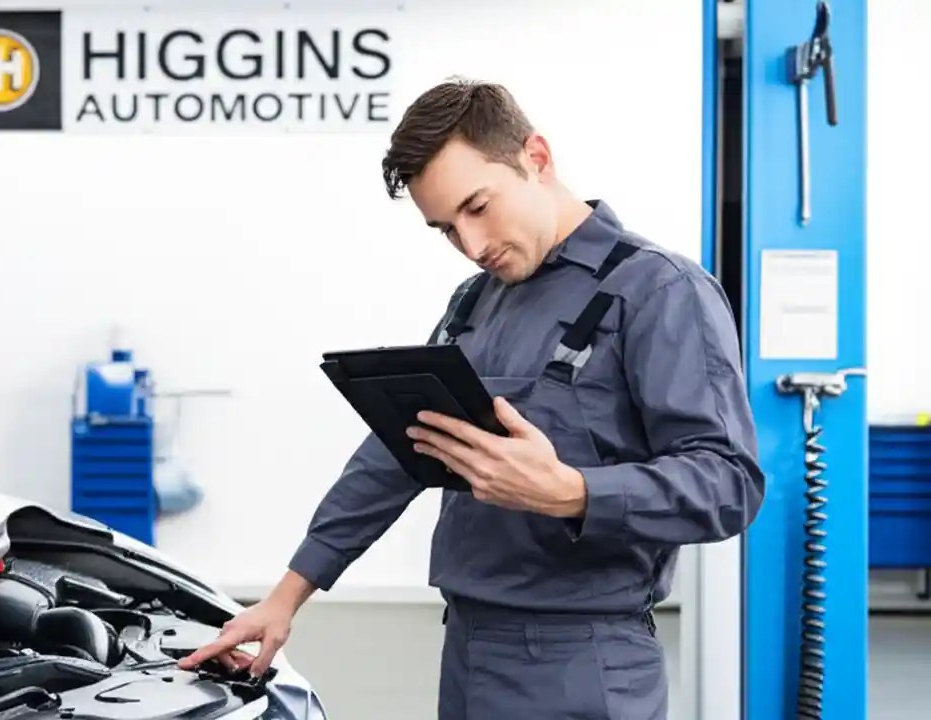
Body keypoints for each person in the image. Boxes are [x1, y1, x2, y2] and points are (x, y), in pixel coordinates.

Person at [179, 78, 764, 719]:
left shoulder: (659, 291)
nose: (473, 246)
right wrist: (285, 598)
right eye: (446, 229)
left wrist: (573, 492)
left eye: (478, 207)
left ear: (536, 157)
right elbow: (396, 455)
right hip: (467, 647)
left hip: (582, 661)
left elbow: (728, 483)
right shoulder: (474, 303)